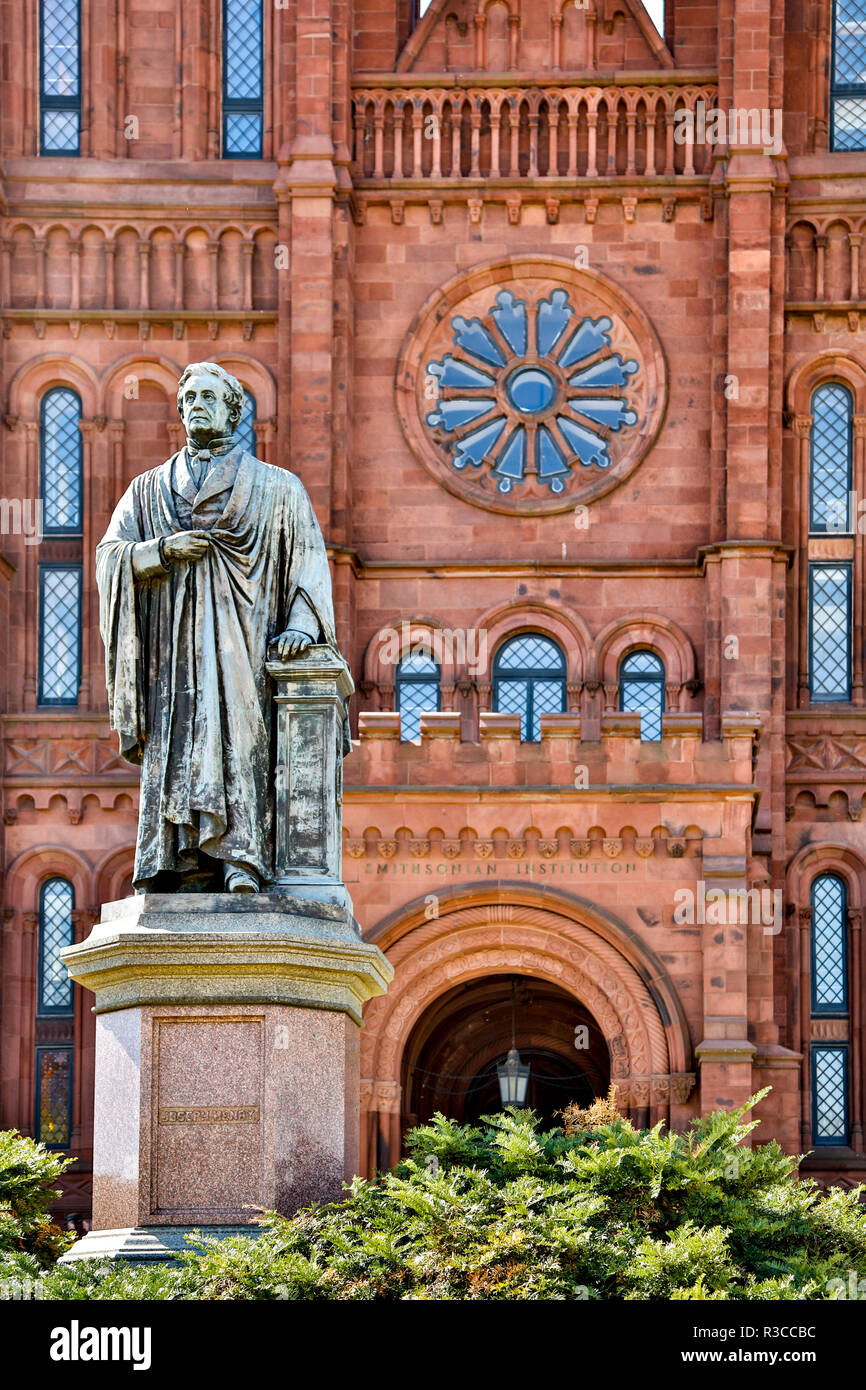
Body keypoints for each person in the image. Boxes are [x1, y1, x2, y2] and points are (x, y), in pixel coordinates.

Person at [96, 362, 342, 894]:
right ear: (180, 409)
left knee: (240, 741)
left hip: (244, 654)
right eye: (190, 397)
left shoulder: (279, 488)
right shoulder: (147, 491)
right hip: (172, 652)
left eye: (211, 396)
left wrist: (301, 625)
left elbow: (308, 566)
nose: (198, 404)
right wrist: (159, 551)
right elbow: (109, 556)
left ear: (235, 410)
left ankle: (241, 859)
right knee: (178, 741)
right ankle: (179, 859)